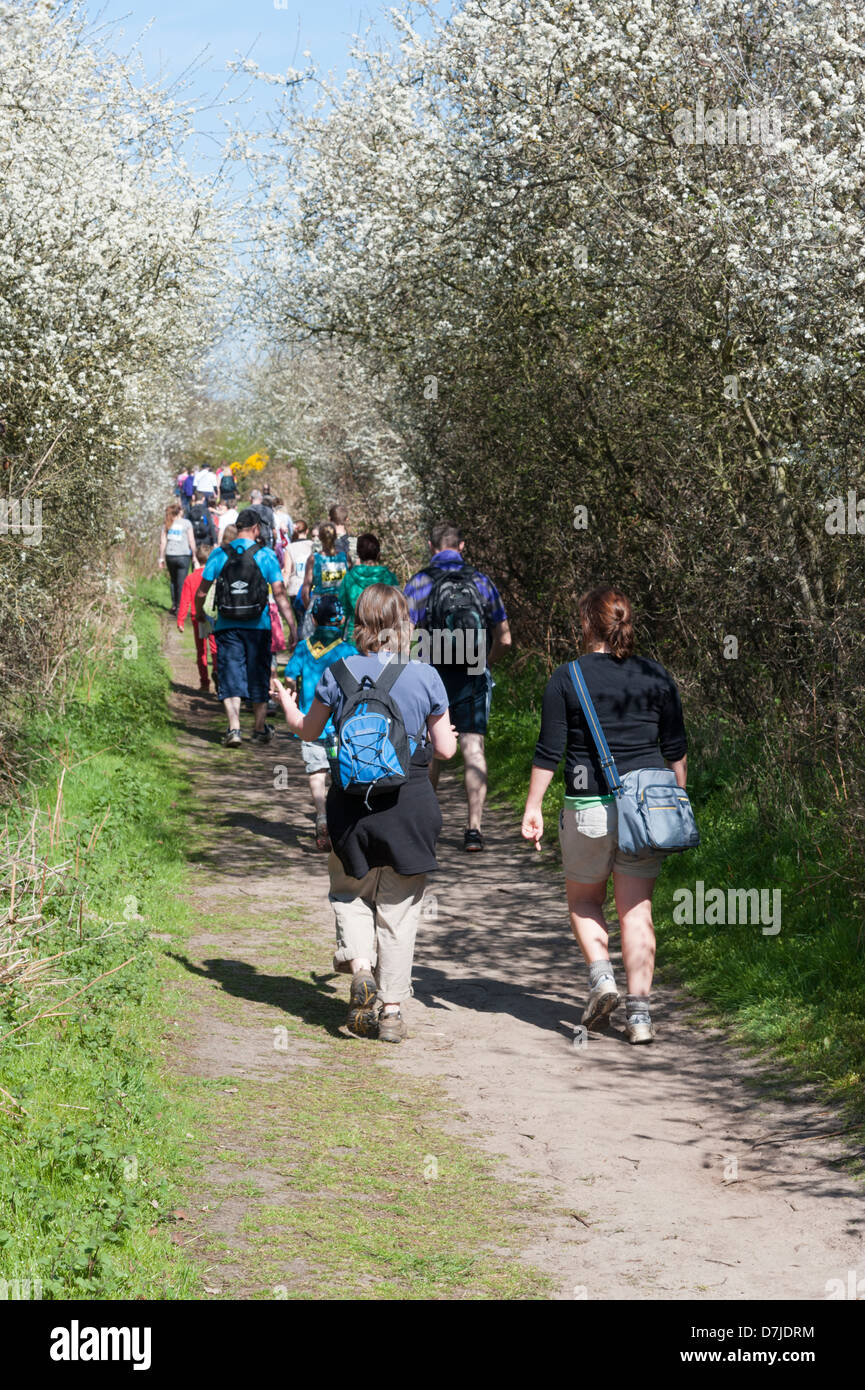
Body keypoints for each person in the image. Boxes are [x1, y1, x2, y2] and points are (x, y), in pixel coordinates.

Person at [271, 585, 457, 1042]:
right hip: (409, 804)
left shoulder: (338, 671)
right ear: (403, 623)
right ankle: (391, 1011)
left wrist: (289, 708)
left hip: (351, 804)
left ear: (360, 623)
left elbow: (309, 732)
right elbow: (448, 751)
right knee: (398, 910)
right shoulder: (426, 675)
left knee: (350, 892)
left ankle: (360, 966)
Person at [520, 586, 689, 1045]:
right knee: (637, 910)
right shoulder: (657, 676)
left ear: (586, 624)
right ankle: (639, 1018)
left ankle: (603, 981)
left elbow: (549, 750)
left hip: (588, 806)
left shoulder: (567, 676)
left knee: (585, 900)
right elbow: (675, 751)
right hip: (647, 808)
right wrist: (676, 802)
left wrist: (533, 806)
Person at [405, 522, 512, 852]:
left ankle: (425, 827)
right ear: (462, 546)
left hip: (431, 671)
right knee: (472, 747)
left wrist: (414, 667)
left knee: (432, 748)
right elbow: (506, 638)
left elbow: (405, 635)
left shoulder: (420, 581)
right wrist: (486, 661)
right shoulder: (481, 581)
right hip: (472, 671)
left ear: (431, 546)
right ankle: (474, 831)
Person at [194, 509, 297, 747]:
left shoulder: (219, 554)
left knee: (230, 673)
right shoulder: (266, 555)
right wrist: (292, 624)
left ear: (238, 526)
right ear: (256, 529)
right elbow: (279, 593)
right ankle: (259, 729)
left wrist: (200, 612)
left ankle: (234, 729)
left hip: (227, 625)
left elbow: (202, 591)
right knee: (258, 673)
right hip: (258, 626)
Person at [282, 594, 357, 851]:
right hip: (341, 725)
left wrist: (292, 691)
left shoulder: (304, 647)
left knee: (317, 772)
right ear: (342, 620)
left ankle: (322, 816)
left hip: (310, 722)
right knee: (341, 774)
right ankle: (341, 823)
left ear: (313, 619)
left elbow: (290, 676)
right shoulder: (348, 650)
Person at [338, 533, 399, 641]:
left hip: (355, 637)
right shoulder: (389, 577)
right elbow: (397, 610)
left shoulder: (349, 578)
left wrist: (339, 638)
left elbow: (343, 610)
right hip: (383, 638)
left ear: (358, 554)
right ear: (378, 554)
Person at [177, 544, 218, 693]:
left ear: (197, 558)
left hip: (197, 618)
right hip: (212, 616)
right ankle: (218, 674)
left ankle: (205, 683)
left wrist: (180, 620)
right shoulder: (214, 575)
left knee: (201, 650)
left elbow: (185, 600)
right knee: (215, 649)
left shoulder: (190, 578)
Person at [299, 522, 348, 638]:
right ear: (335, 537)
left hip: (319, 603)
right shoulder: (344, 557)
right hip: (339, 605)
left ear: (319, 538)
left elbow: (305, 590)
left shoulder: (314, 559)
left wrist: (310, 609)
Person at [158, 501, 195, 615]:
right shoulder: (186, 523)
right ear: (179, 512)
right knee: (181, 582)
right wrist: (194, 555)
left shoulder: (167, 524)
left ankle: (174, 605)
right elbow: (191, 540)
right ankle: (180, 607)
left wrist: (161, 558)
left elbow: (162, 542)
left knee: (174, 581)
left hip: (170, 556)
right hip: (183, 555)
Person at [284, 521, 313, 628]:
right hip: (311, 588)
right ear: (307, 531)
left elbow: (287, 571)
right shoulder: (313, 546)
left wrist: (282, 590)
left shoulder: (290, 548)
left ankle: (300, 643)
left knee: (301, 623)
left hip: (295, 590)